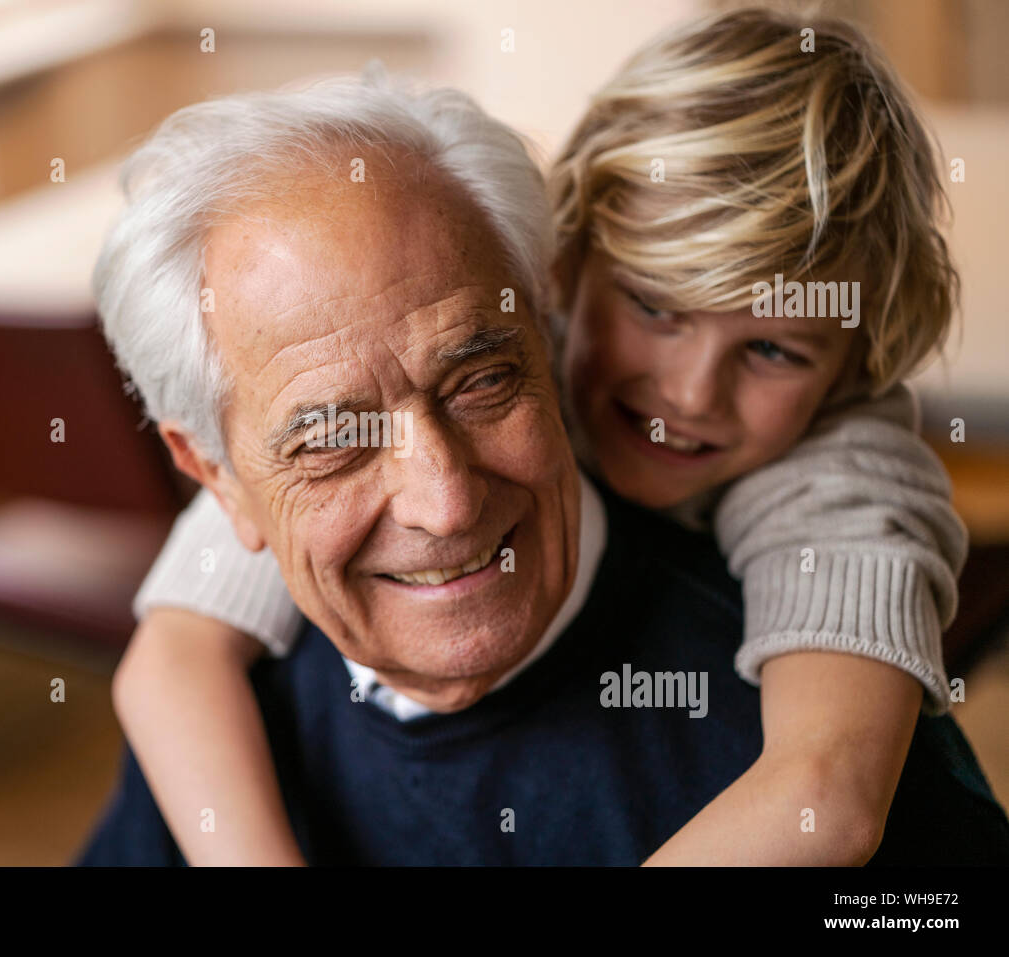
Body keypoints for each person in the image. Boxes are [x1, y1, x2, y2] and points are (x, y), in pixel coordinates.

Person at [80, 34, 1008, 866]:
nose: (684, 394)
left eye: (480, 383)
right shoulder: (244, 698)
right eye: (334, 438)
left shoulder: (837, 508)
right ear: (564, 276)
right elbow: (176, 649)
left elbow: (826, 796)